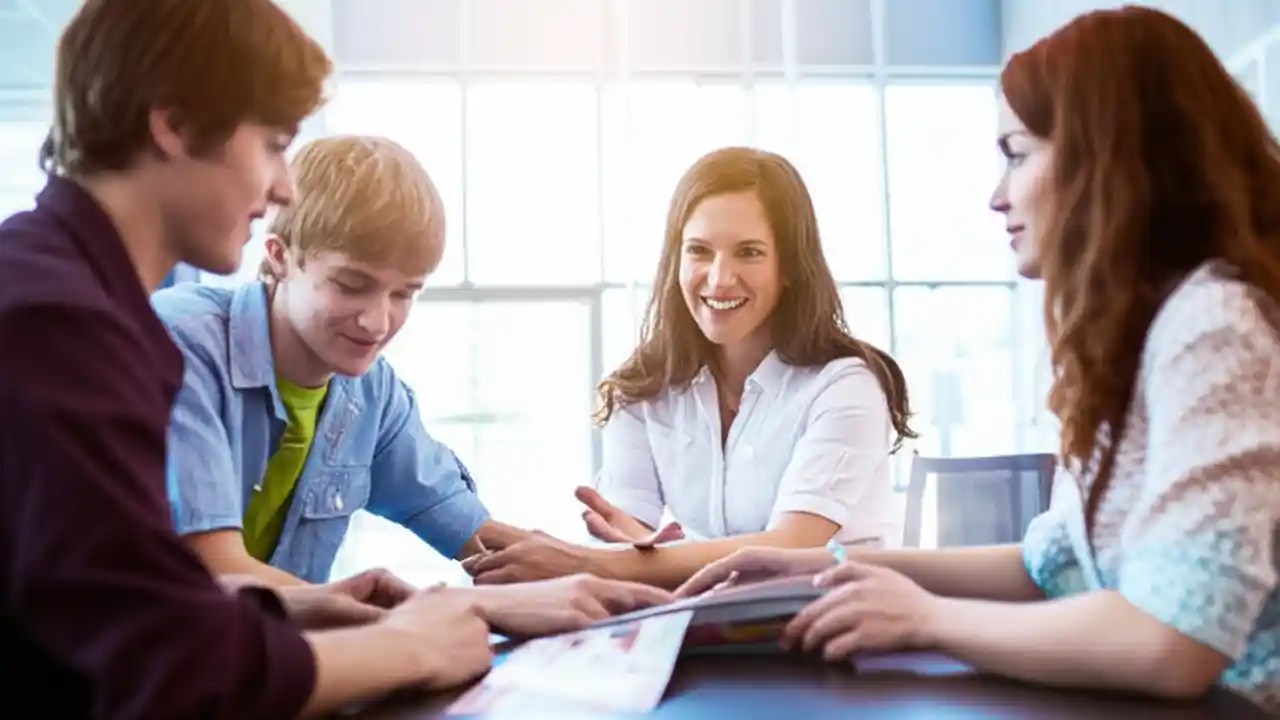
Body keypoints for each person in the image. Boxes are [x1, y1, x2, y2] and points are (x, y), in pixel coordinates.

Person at [0, 2, 667, 717]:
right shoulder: (58, 323)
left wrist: (333, 608)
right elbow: (166, 657)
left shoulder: (72, 301)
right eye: (274, 144)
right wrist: (412, 641)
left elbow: (132, 600)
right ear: (174, 125)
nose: (284, 186)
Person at [674, 6, 1280, 712]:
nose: (998, 196)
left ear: (1106, 156)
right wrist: (822, 567)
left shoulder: (1214, 324)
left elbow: (1173, 640)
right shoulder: (1145, 336)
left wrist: (926, 618)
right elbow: (1046, 566)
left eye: (1017, 154)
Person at [464, 146, 915, 589]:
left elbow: (790, 548)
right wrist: (630, 551)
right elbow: (630, 545)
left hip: (843, 628)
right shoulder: (642, 389)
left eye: (749, 252)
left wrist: (600, 561)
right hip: (713, 624)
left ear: (790, 267)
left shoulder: (844, 387)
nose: (719, 278)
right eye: (699, 250)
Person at [153, 133, 529, 586]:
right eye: (351, 286)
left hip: (267, 652)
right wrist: (392, 621)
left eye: (403, 294)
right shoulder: (182, 346)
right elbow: (211, 570)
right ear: (280, 257)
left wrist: (593, 573)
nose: (377, 322)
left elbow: (475, 534)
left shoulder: (374, 395)